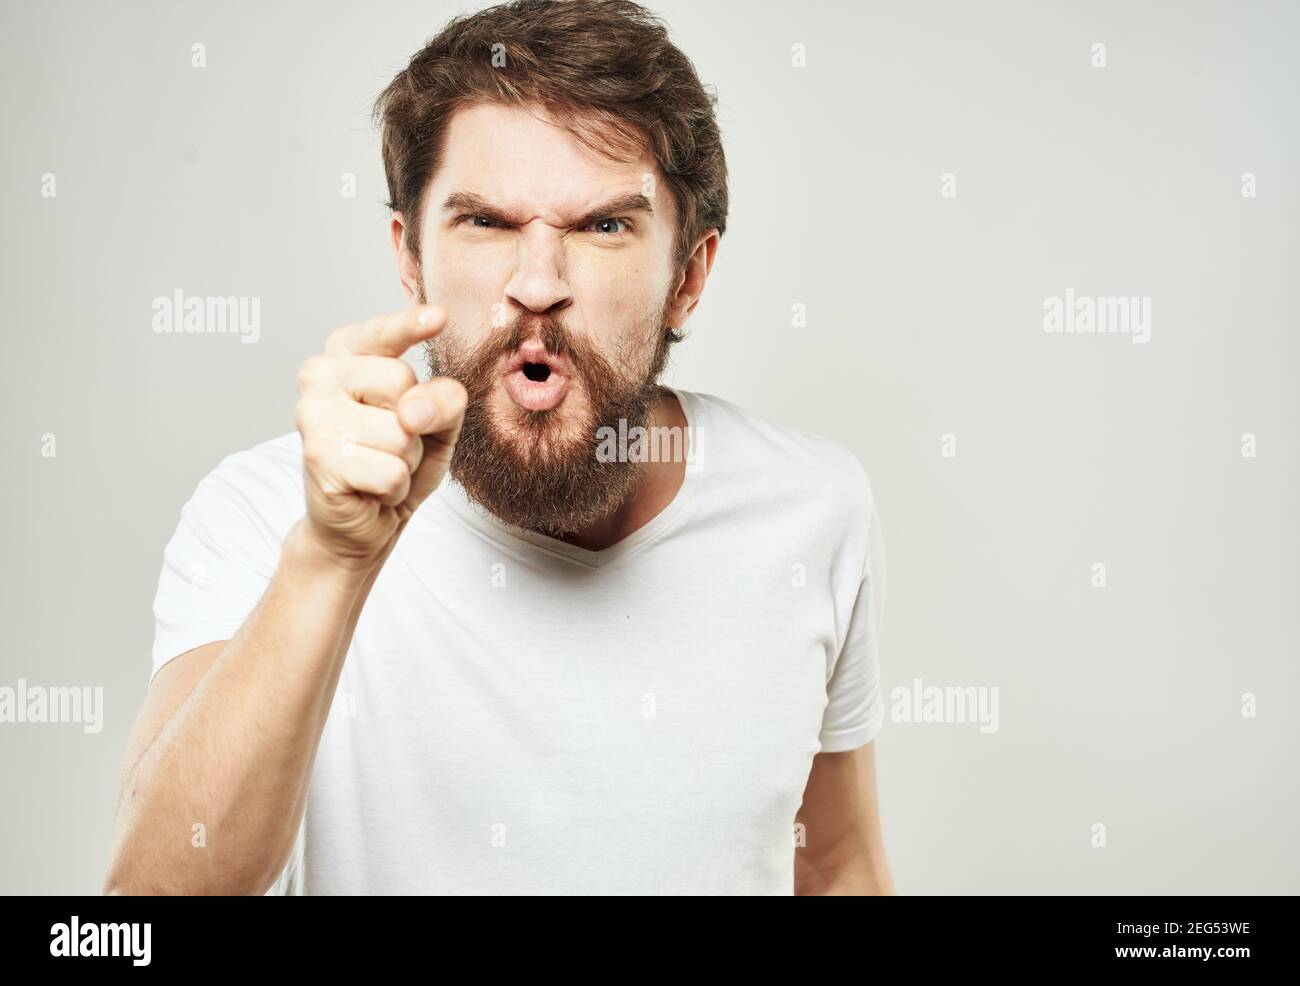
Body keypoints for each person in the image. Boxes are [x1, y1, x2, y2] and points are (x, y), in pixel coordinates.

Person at [104, 0, 893, 895]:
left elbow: (833, 866)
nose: (537, 286)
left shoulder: (813, 507)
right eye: (487, 223)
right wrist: (331, 560)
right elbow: (148, 902)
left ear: (690, 276)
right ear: (411, 258)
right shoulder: (265, 516)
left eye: (604, 227)